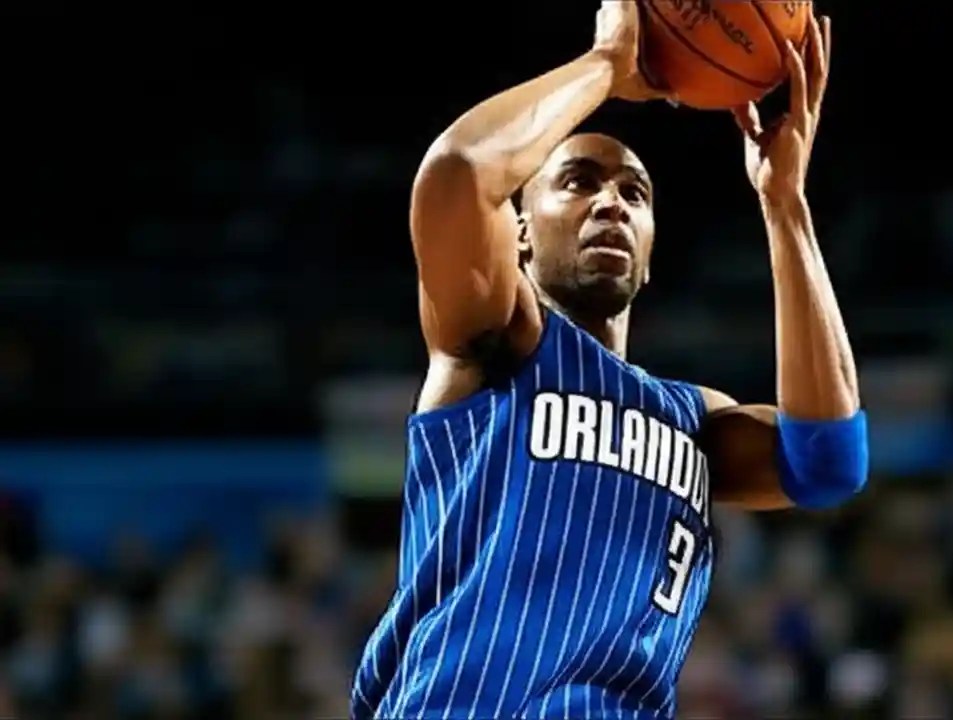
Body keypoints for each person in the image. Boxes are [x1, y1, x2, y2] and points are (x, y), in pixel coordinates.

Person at [351, 3, 867, 718]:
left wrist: (785, 204)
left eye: (634, 194)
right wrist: (605, 68)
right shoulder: (496, 343)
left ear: (652, 255)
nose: (612, 204)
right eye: (579, 182)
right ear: (519, 236)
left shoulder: (695, 420)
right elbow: (458, 174)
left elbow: (830, 461)